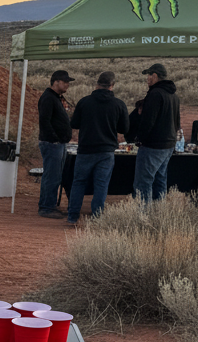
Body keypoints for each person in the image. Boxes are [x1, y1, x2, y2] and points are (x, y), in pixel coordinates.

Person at [66, 72, 130, 225]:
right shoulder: (119, 104)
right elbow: (124, 128)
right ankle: (97, 218)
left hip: (86, 150)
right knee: (101, 185)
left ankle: (72, 217)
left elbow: (74, 124)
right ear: (112, 85)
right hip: (106, 151)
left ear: (97, 84)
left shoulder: (84, 102)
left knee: (79, 183)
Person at [132, 63, 181, 203]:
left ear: (154, 76)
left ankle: (143, 213)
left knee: (143, 183)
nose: (147, 78)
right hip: (168, 145)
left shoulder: (155, 94)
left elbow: (148, 121)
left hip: (153, 146)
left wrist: (139, 139)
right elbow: (177, 122)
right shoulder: (174, 96)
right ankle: (159, 211)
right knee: (160, 180)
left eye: (148, 75)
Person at [37, 70, 74, 218]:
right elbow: (44, 121)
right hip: (52, 144)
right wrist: (55, 138)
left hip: (57, 144)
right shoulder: (48, 98)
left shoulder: (56, 98)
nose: (67, 85)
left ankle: (48, 205)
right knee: (52, 176)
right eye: (65, 82)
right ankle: (46, 207)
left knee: (54, 176)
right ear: (56, 82)